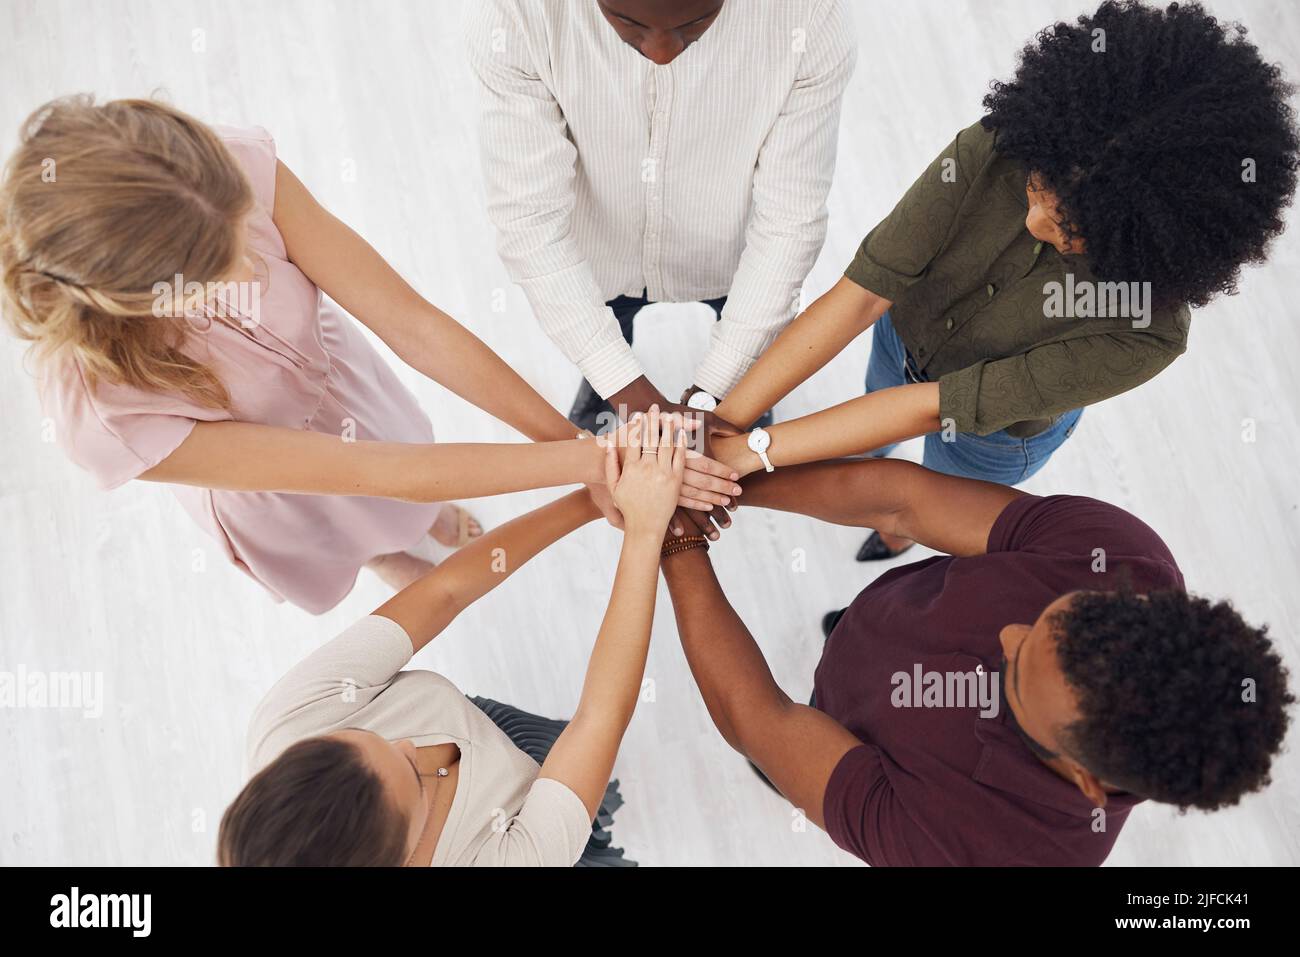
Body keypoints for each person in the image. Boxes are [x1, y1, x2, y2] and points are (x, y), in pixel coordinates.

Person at [0, 97, 737, 613]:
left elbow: (413, 324)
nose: (252, 269)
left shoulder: (213, 175)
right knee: (347, 521)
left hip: (341, 387)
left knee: (402, 462)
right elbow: (369, 471)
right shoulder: (105, 416)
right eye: (218, 272)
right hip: (280, 483)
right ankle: (382, 553)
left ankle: (414, 528)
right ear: (133, 299)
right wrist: (593, 464)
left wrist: (573, 446)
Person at [711, 0, 1299, 560]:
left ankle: (897, 543)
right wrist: (722, 425)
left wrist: (748, 454)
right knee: (870, 423)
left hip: (994, 436)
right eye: (1036, 188)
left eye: (1070, 228)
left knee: (923, 500)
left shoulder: (1145, 333)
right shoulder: (998, 146)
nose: (1033, 221)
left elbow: (933, 408)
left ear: (1150, 235)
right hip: (899, 341)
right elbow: (862, 294)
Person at [661, 455, 1294, 865]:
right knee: (853, 636)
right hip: (878, 620)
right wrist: (718, 482)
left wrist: (677, 536)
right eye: (1049, 618)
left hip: (840, 730)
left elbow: (761, 720)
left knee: (786, 756)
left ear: (1089, 781)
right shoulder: (1119, 554)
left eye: (1018, 677)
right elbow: (899, 502)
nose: (1010, 636)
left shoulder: (980, 851)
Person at [218, 409, 691, 866]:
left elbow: (444, 591)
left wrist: (589, 501)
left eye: (363, 736)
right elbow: (598, 719)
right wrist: (645, 533)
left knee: (573, 767)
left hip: (495, 734)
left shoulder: (289, 720)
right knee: (581, 787)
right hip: (529, 825)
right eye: (412, 778)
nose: (407, 745)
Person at [465, 0, 856, 538]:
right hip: (599, 253)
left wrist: (713, 397)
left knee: (748, 354)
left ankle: (743, 404)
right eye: (629, 25)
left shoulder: (809, 18)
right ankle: (604, 388)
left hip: (733, 254)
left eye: (694, 25)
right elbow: (528, 221)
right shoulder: (518, 17)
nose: (662, 52)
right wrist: (626, 386)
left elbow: (789, 224)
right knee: (606, 330)